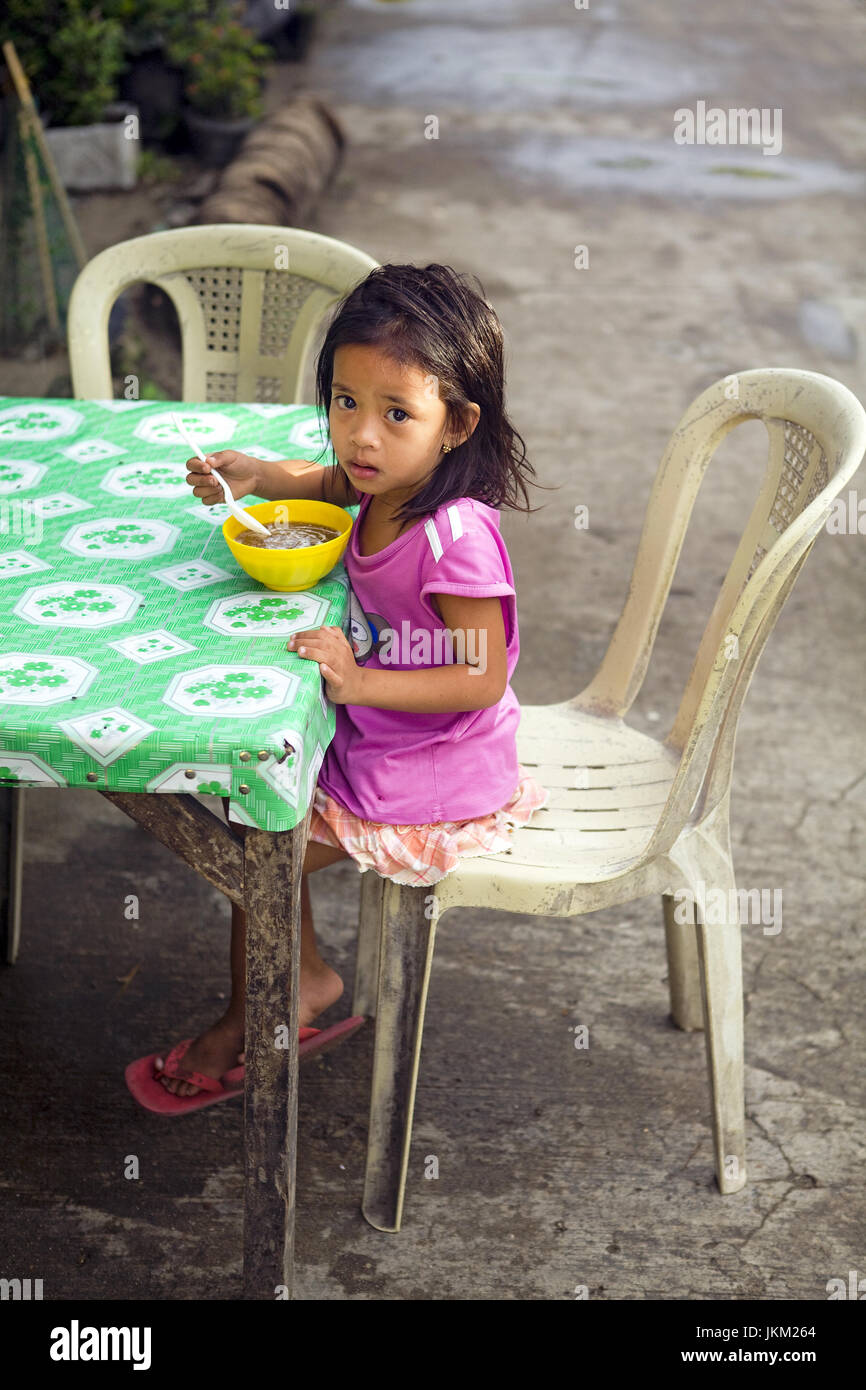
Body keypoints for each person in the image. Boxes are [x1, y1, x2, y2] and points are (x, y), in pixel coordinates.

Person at [151, 262, 552, 1102]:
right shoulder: (385, 484)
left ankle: (265, 1006)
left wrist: (360, 679)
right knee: (256, 813)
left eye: (395, 412)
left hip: (438, 766)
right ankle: (300, 978)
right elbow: (330, 482)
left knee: (261, 845)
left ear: (457, 423)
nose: (361, 436)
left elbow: (479, 680)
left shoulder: (453, 540)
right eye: (344, 402)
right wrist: (264, 474)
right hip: (386, 736)